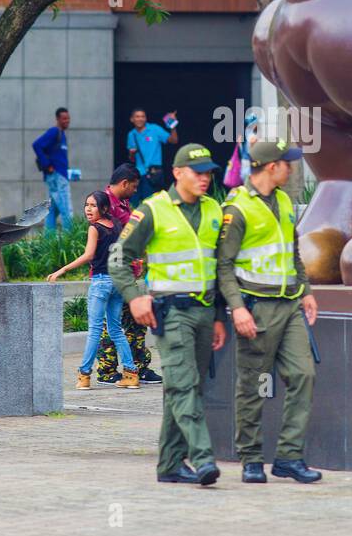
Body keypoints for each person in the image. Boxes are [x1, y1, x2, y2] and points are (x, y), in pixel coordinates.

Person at [108, 143, 227, 486]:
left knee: (186, 387)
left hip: (204, 313)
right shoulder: (152, 210)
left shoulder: (215, 210)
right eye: (198, 172)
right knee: (184, 383)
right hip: (169, 313)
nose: (205, 178)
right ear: (177, 173)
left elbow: (218, 267)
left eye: (208, 173)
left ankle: (170, 465)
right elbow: (118, 258)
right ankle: (203, 458)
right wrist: (134, 296)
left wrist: (219, 314)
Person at [217, 139, 321, 484]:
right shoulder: (237, 208)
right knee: (253, 385)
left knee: (303, 374)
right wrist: (236, 310)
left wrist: (305, 291)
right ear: (271, 167)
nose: (291, 168)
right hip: (255, 308)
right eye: (287, 163)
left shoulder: (284, 201)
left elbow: (292, 252)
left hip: (289, 305)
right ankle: (250, 458)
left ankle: (289, 457)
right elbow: (224, 265)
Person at [48, 190, 140, 390]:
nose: (88, 209)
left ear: (104, 208)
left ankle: (84, 374)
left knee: (95, 330)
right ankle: (131, 374)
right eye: (86, 205)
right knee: (116, 330)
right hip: (117, 282)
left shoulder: (95, 228)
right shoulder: (115, 224)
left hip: (100, 282)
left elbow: (89, 255)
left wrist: (63, 269)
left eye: (93, 205)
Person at [95, 165, 161, 384]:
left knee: (136, 320)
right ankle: (106, 370)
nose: (135, 191)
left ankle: (139, 367)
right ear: (124, 183)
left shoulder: (123, 204)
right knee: (111, 323)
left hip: (128, 273)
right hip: (111, 274)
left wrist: (136, 260)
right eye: (133, 186)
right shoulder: (103, 204)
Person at [33, 107, 73, 232]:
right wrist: (47, 165)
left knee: (52, 211)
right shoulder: (54, 131)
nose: (67, 121)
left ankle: (48, 240)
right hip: (57, 176)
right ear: (57, 119)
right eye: (64, 118)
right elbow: (36, 145)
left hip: (59, 175)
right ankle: (71, 237)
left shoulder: (62, 135)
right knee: (66, 208)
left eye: (68, 118)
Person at [126, 108, 178, 200]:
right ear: (132, 119)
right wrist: (132, 153)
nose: (140, 119)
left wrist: (172, 124)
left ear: (146, 118)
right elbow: (132, 159)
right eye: (137, 116)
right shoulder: (131, 134)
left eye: (143, 116)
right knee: (135, 202)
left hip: (154, 173)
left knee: (154, 200)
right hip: (139, 174)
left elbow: (173, 140)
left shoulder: (154, 129)